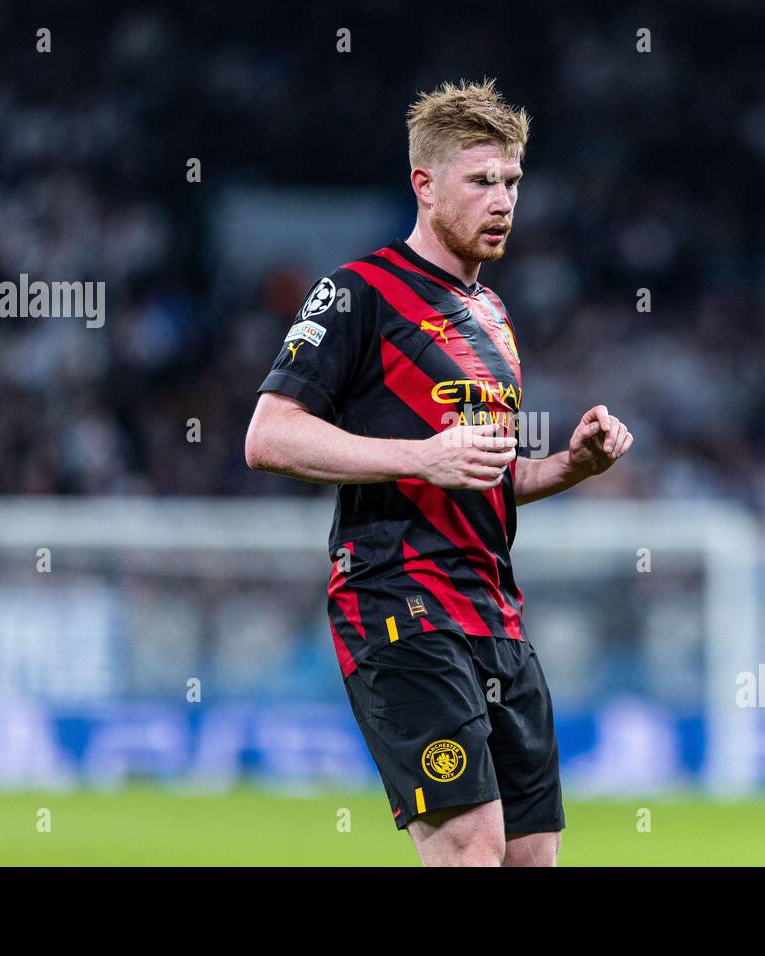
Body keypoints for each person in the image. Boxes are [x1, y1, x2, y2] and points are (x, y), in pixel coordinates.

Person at [245, 78, 633, 866]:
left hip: (494, 611)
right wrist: (421, 456)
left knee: (532, 856)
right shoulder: (356, 294)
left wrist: (568, 465)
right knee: (469, 849)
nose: (503, 201)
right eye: (482, 181)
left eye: (513, 182)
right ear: (424, 184)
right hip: (397, 599)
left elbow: (483, 475)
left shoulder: (492, 317)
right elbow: (269, 436)